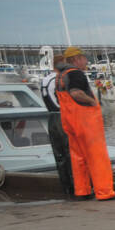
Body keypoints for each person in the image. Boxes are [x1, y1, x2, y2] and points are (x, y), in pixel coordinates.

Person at [57, 46, 115, 201]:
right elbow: (76, 93)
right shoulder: (76, 73)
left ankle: (82, 191)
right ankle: (104, 191)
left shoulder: (61, 76)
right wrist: (93, 102)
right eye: (84, 57)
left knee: (78, 158)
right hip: (85, 121)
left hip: (69, 121)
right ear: (76, 59)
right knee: (97, 156)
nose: (86, 60)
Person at [39, 55, 76, 197]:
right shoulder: (58, 79)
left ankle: (66, 188)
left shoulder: (45, 79)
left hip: (51, 118)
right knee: (69, 153)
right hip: (61, 117)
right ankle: (75, 187)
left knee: (59, 156)